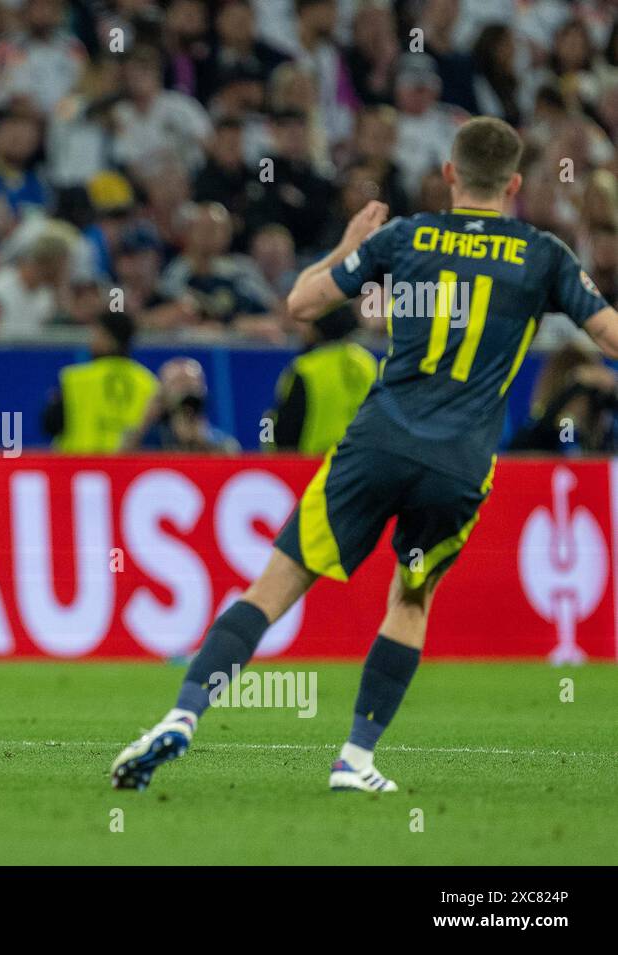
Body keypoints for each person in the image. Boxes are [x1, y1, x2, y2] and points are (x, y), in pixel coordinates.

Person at [111, 116, 618, 793]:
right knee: (410, 601)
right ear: (516, 185)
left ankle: (182, 713)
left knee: (271, 587)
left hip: (376, 442)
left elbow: (300, 303)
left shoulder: (404, 236)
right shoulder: (544, 254)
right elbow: (610, 335)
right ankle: (355, 758)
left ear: (448, 175)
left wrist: (346, 244)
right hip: (460, 464)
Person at [265, 306, 378, 454]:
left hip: (316, 463)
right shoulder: (368, 362)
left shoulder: (306, 368)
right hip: (362, 459)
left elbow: (288, 426)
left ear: (318, 326)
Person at [42, 311, 157, 454]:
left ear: (110, 339)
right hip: (127, 469)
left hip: (79, 467)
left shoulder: (75, 379)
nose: (91, 341)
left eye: (96, 335)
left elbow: (50, 424)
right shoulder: (148, 382)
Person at [122, 357, 240, 454]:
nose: (186, 389)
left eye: (192, 382)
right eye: (178, 382)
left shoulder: (220, 441)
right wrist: (145, 420)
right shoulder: (148, 440)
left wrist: (202, 442)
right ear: (162, 392)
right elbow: (121, 463)